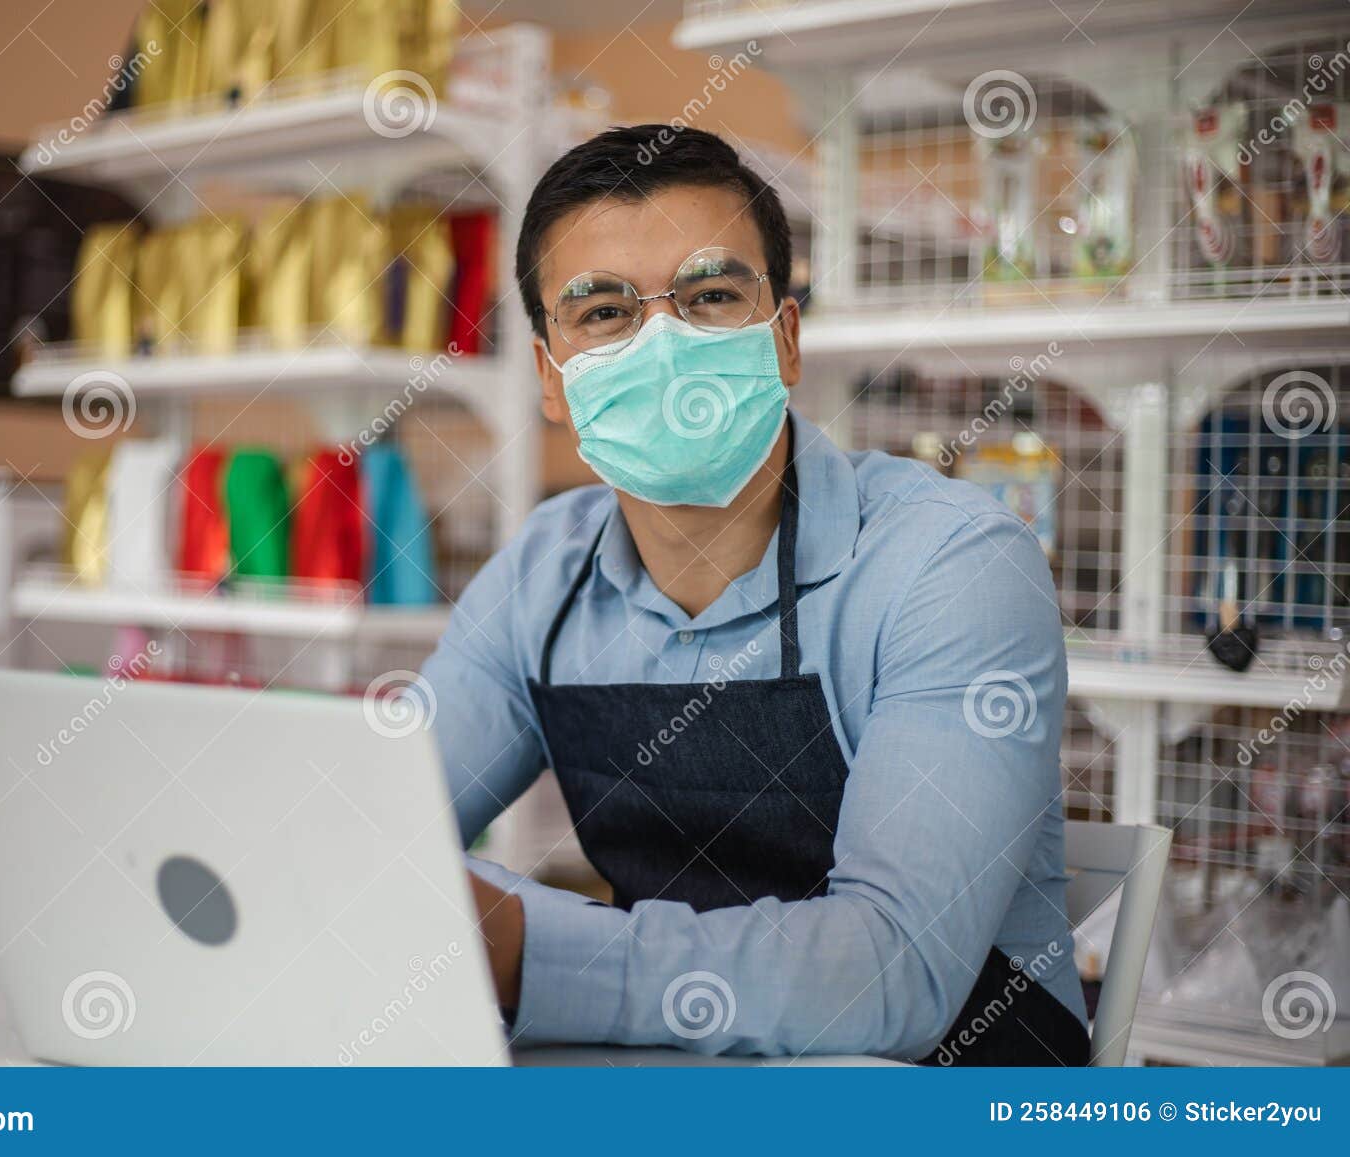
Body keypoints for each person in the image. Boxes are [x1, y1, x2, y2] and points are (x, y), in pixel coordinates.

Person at [420, 125, 1089, 1064]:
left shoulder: (951, 566)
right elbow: (375, 827)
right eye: (605, 313)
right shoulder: (541, 578)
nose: (662, 347)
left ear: (784, 340)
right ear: (549, 378)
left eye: (711, 298)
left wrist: (523, 942)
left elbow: (891, 972)